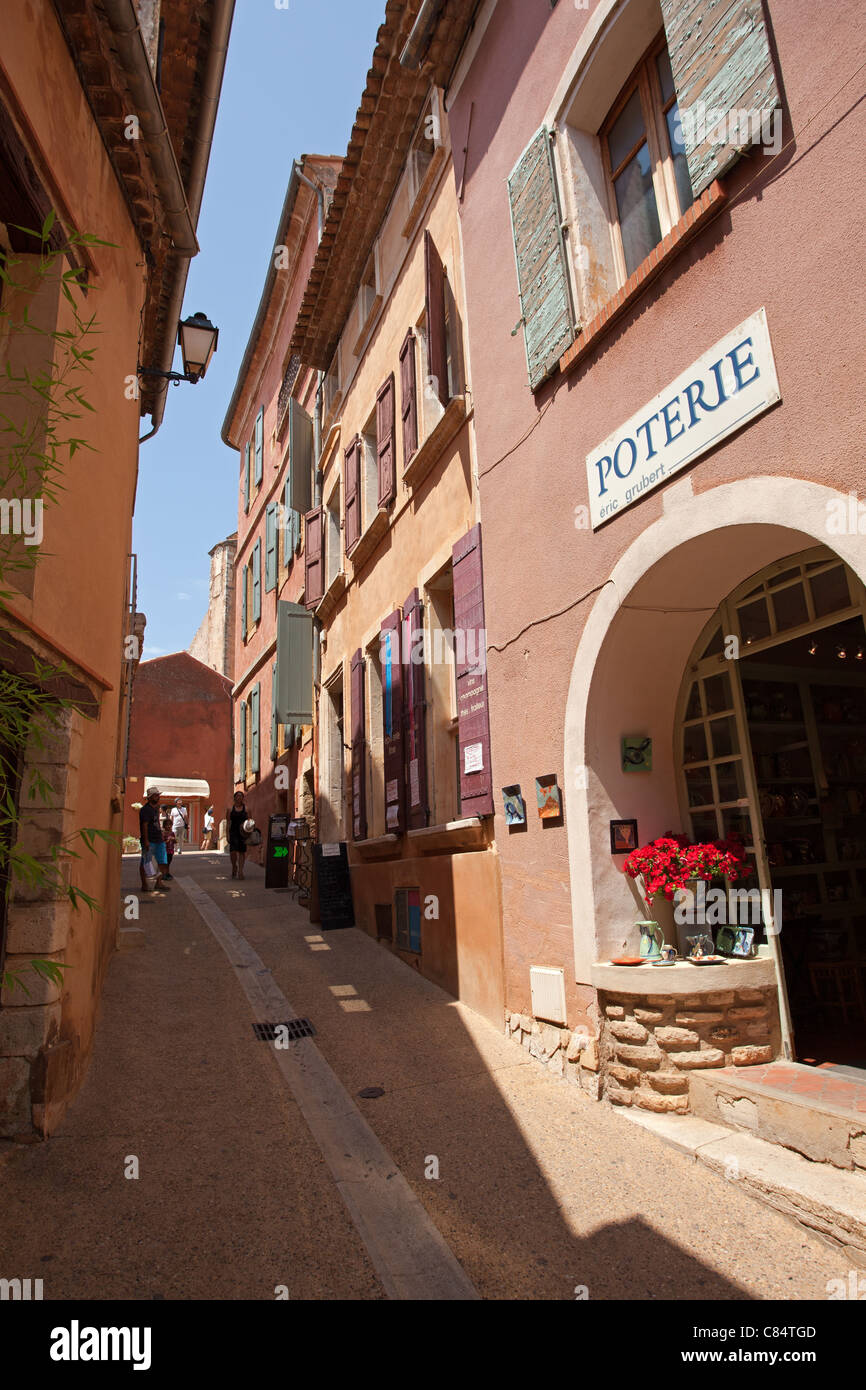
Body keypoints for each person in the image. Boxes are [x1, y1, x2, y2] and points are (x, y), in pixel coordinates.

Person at [139, 786, 170, 892]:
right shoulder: (145, 810)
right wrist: (146, 840)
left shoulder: (156, 809)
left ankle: (159, 883)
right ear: (150, 797)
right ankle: (144, 884)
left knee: (162, 862)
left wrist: (161, 835)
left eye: (158, 795)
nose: (158, 797)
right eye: (156, 795)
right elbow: (145, 825)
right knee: (145, 862)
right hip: (150, 840)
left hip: (158, 840)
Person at [226, 790, 248, 880]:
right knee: (233, 852)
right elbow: (228, 822)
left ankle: (241, 871)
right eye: (237, 796)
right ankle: (234, 866)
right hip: (233, 832)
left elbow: (250, 821)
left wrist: (249, 833)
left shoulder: (247, 809)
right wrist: (227, 834)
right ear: (234, 798)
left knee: (242, 852)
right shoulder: (230, 809)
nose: (239, 798)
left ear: (243, 798)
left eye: (241, 796)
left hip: (243, 833)